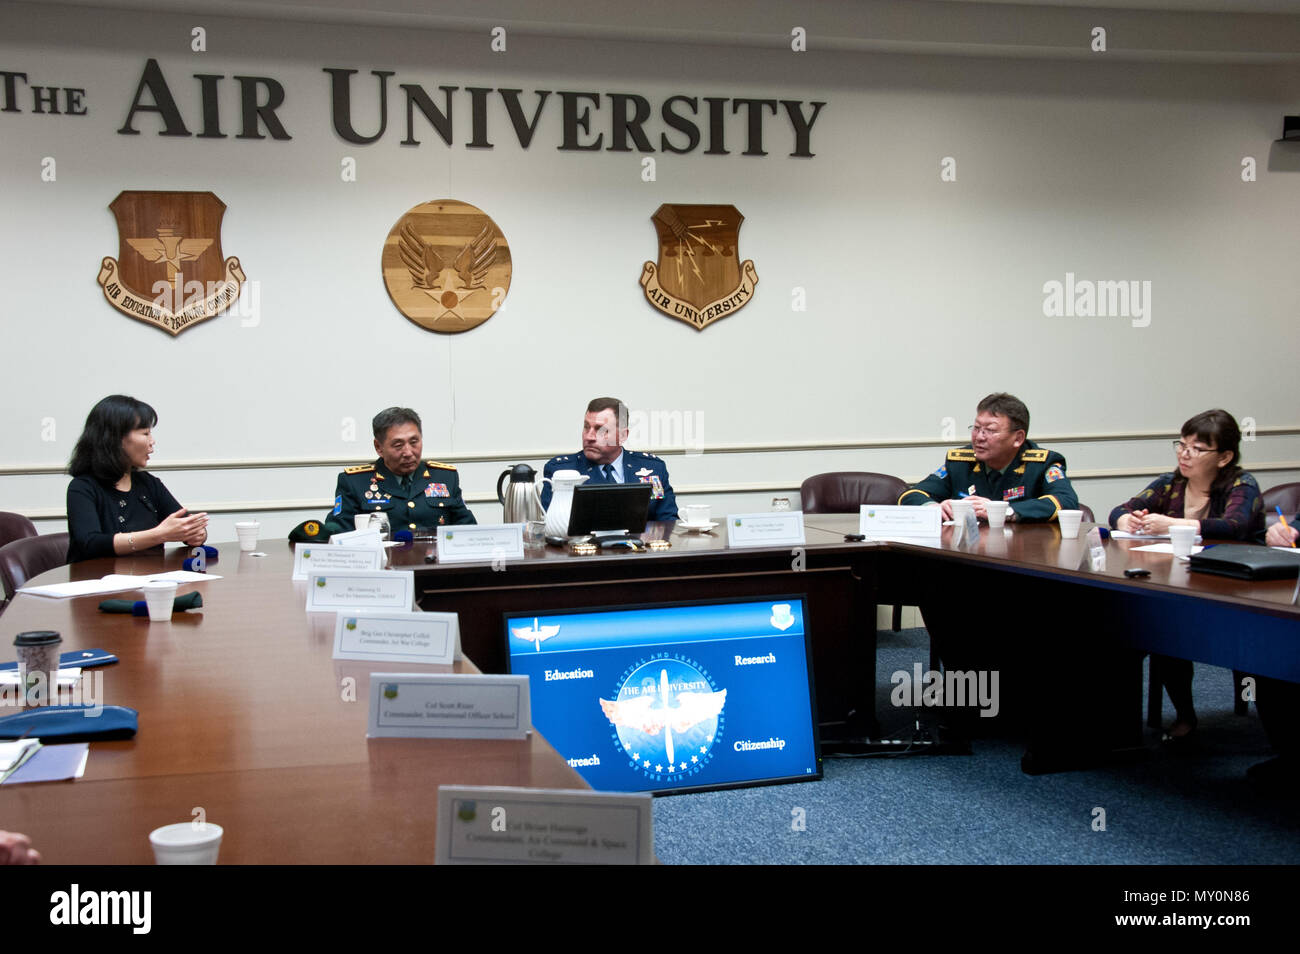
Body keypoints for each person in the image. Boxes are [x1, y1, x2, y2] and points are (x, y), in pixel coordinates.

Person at [1108, 409, 1262, 740]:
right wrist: (1126, 521)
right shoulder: (1171, 482)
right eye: (1181, 444)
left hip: (1236, 593)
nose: (1184, 454)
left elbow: (1235, 527)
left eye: (1196, 448)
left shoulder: (1241, 484)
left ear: (1224, 457)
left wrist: (1174, 524)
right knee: (1164, 628)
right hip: (1181, 586)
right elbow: (1120, 510)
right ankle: (1184, 716)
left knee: (1178, 625)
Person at [66, 395, 207, 563]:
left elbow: (183, 523)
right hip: (96, 583)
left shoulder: (148, 483)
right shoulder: (83, 487)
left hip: (148, 581)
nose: (152, 441)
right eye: (145, 433)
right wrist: (159, 535)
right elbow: (90, 543)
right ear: (115, 438)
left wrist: (196, 535)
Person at [898, 392, 1078, 521]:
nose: (980, 437)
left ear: (1018, 438)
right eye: (976, 428)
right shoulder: (960, 462)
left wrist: (1004, 511)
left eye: (990, 430)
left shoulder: (1042, 464)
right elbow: (912, 494)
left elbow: (1066, 502)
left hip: (1021, 556)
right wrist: (933, 507)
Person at [324, 407, 475, 535]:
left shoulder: (445, 477)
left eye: (414, 442)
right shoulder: (354, 482)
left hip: (434, 565)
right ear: (379, 447)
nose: (408, 452)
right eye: (398, 445)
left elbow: (468, 528)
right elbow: (339, 532)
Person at [540, 397, 679, 523]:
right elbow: (550, 525)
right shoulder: (562, 471)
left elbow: (668, 522)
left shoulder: (652, 469)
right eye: (586, 427)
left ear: (623, 435)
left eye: (601, 430)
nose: (589, 437)